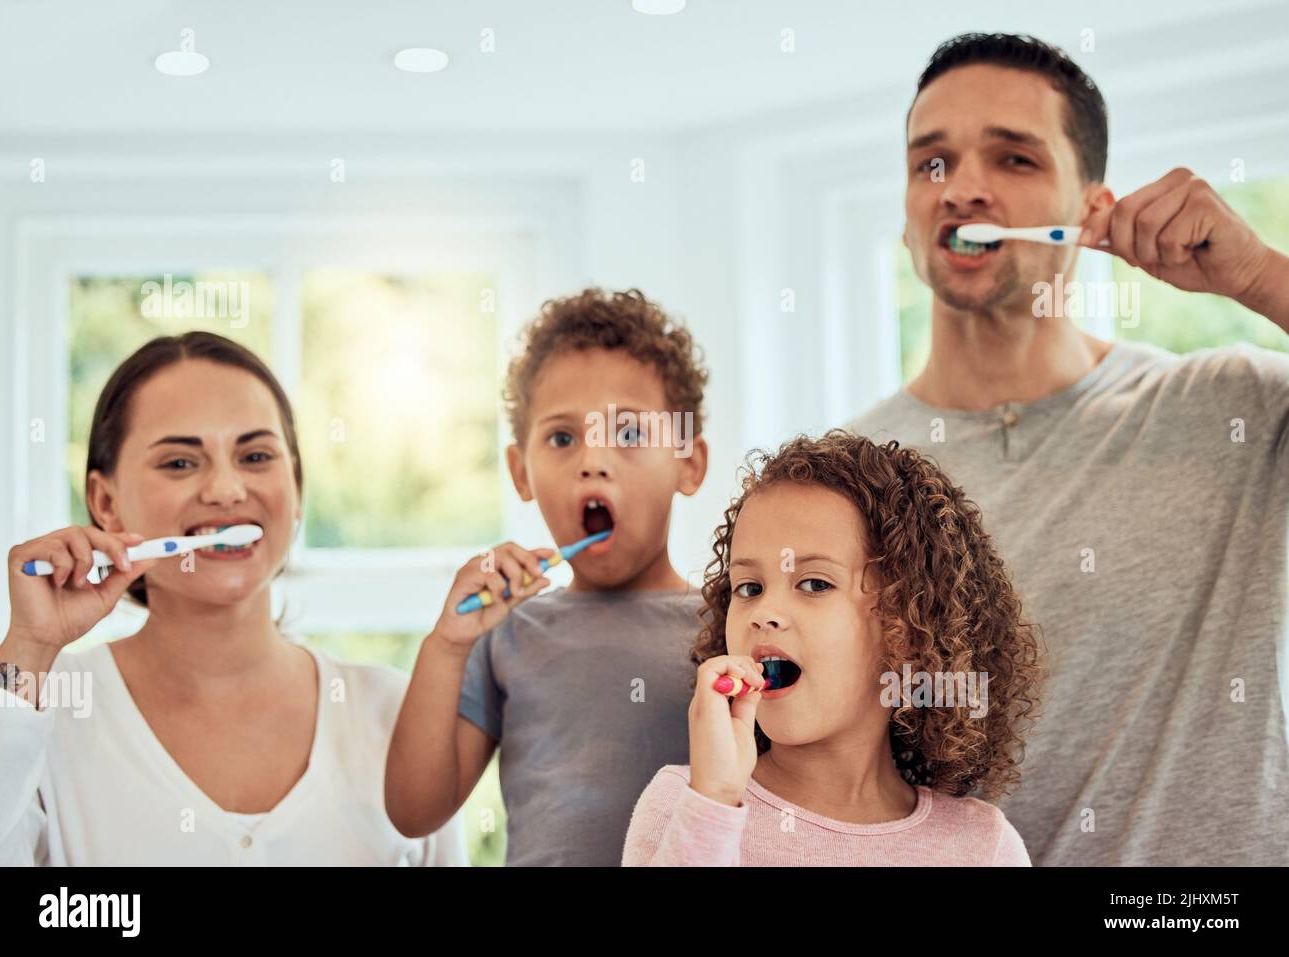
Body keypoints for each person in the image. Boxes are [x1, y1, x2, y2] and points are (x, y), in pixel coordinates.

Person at [849, 33, 1289, 865]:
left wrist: (1260, 274)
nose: (963, 189)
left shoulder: (1231, 406)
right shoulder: (854, 476)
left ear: (1091, 207)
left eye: (1013, 159)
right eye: (931, 164)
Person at [0, 331, 466, 865]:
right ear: (105, 502)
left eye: (256, 455)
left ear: (297, 490)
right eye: (179, 463)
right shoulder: (45, 708)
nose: (226, 490)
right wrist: (27, 647)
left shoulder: (394, 713)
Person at [386, 288, 711, 865]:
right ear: (521, 471)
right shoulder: (507, 634)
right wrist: (446, 646)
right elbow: (413, 811)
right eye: (562, 438)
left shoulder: (730, 626)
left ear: (688, 462)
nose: (592, 459)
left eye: (629, 434)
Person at [624, 431, 1039, 866]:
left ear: (908, 630)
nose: (764, 613)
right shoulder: (683, 803)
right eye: (749, 587)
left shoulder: (981, 846)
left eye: (815, 584)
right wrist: (715, 802)